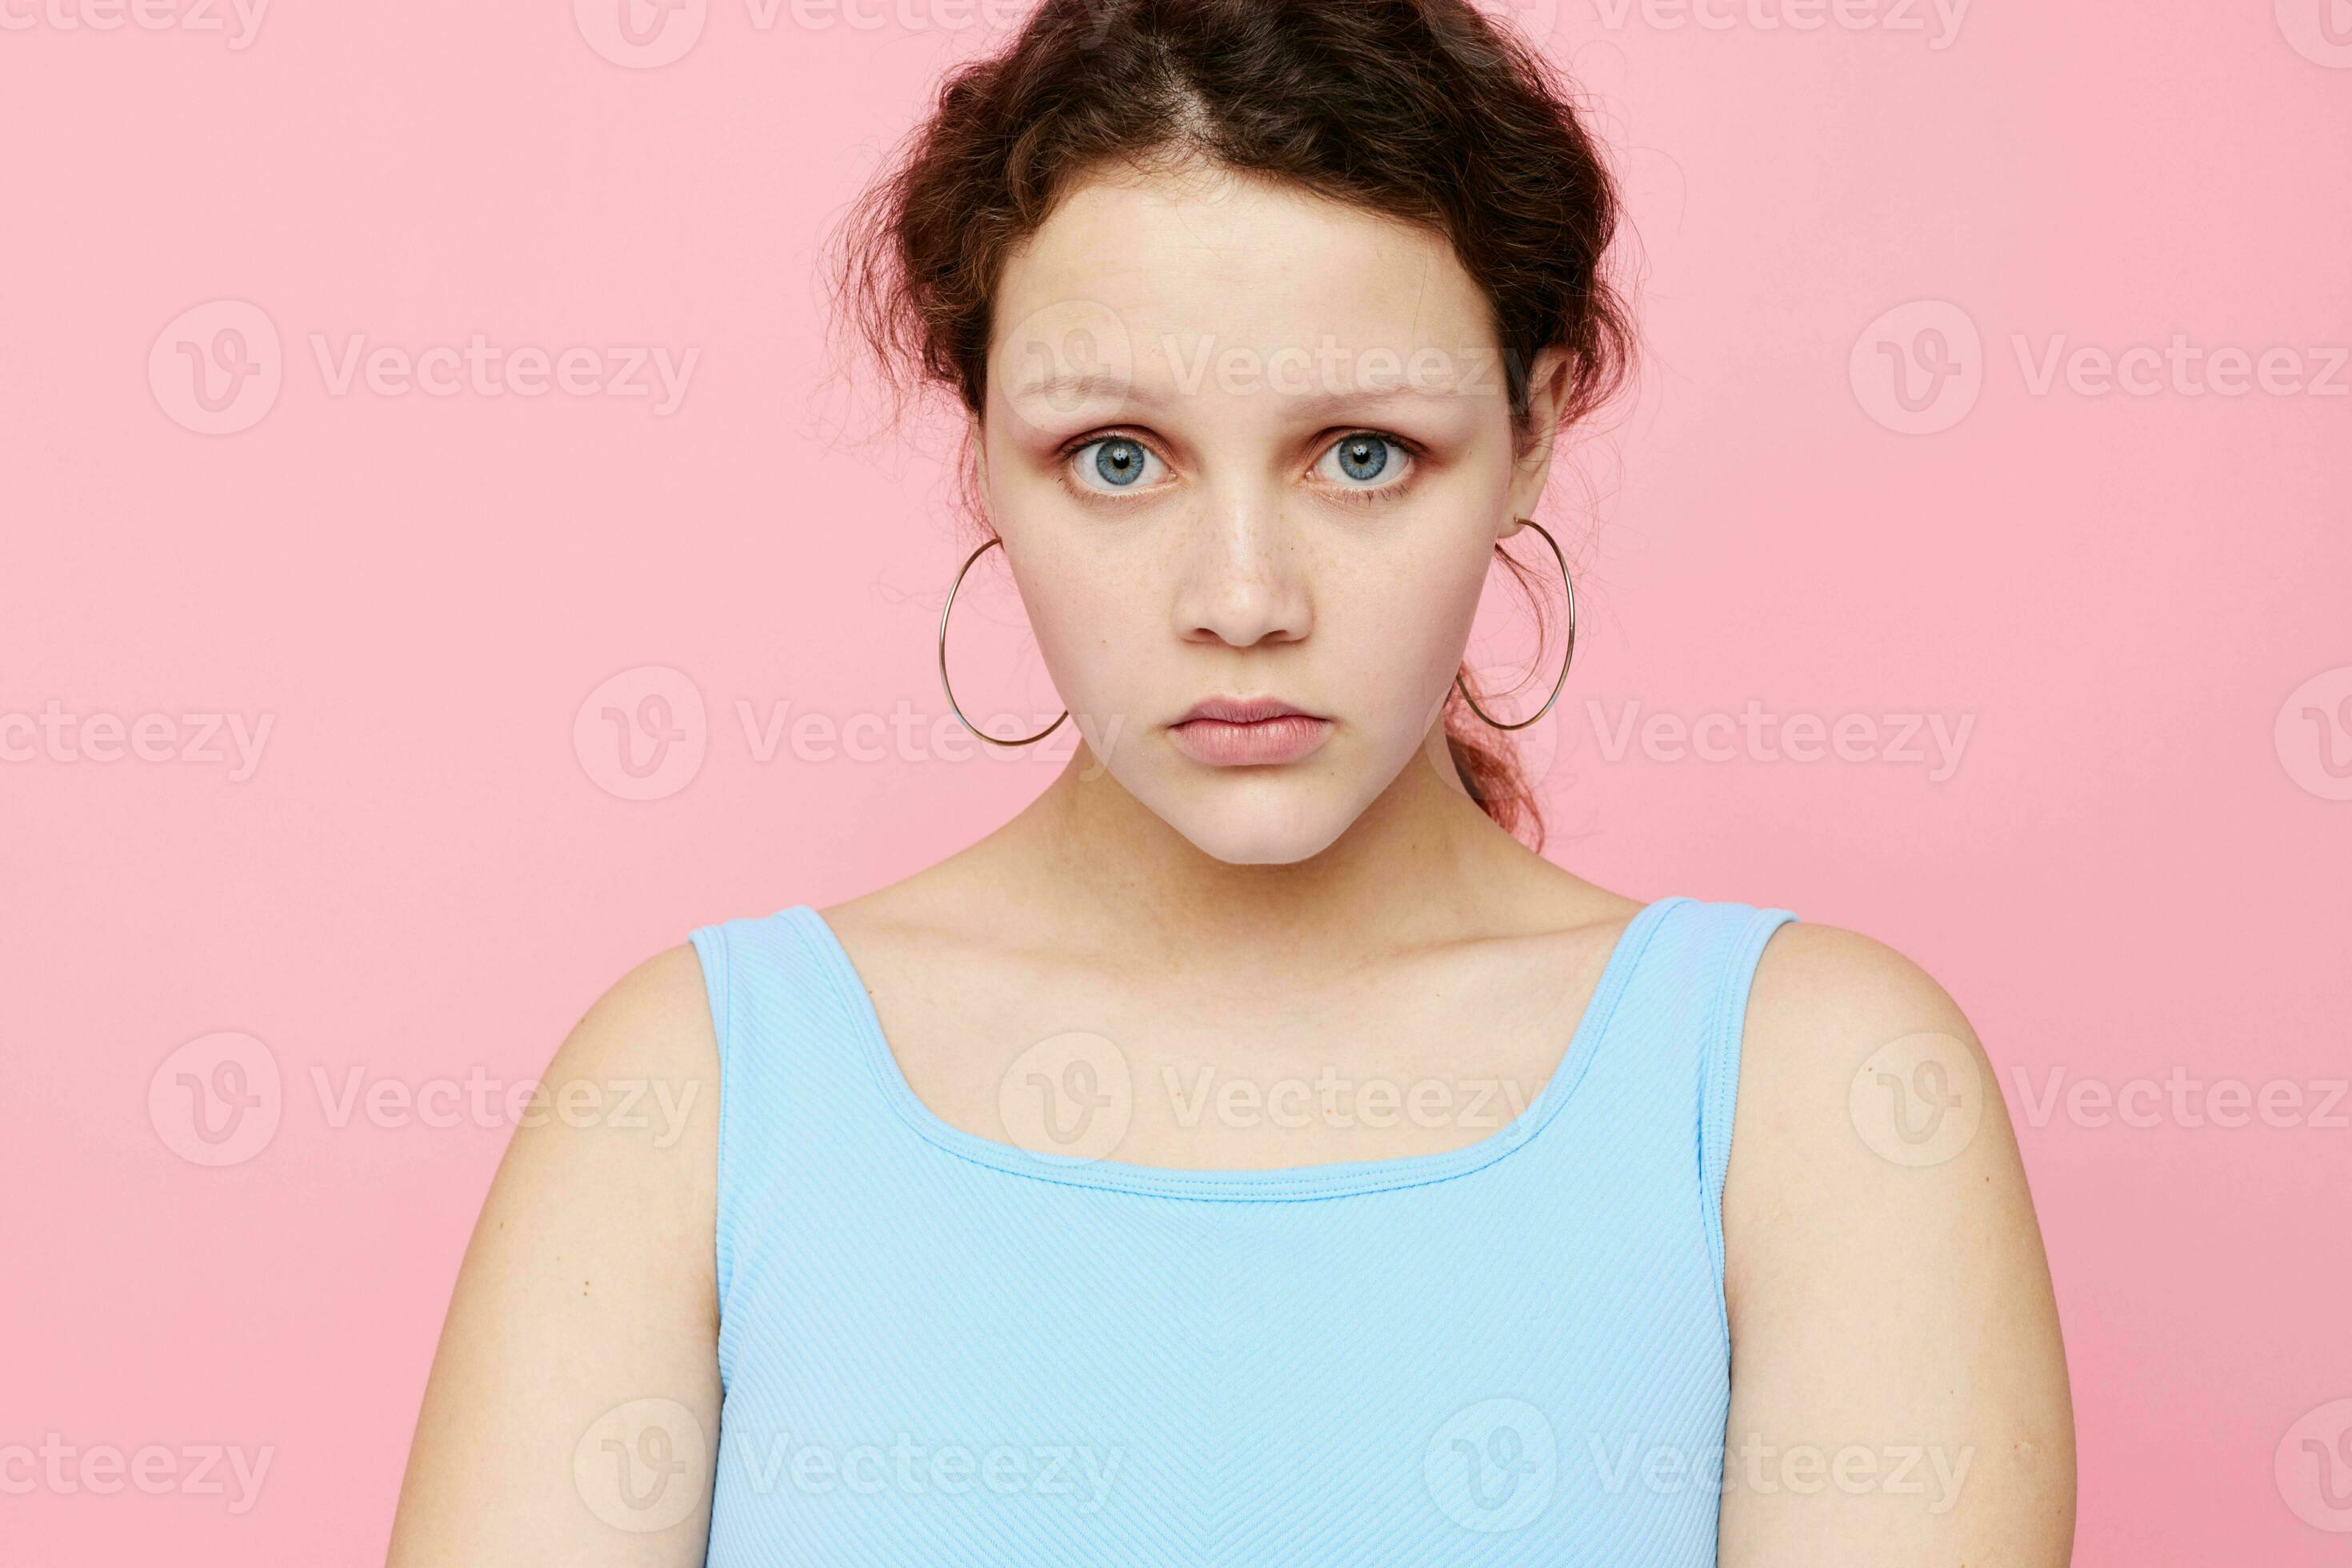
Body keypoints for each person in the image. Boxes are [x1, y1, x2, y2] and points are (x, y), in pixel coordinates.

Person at [386, 2, 2074, 1562]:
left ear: (1535, 424)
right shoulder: (694, 1085)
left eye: (1365, 454)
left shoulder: (1814, 1092)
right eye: (1117, 458)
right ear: (979, 444)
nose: (1246, 597)